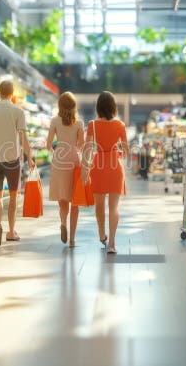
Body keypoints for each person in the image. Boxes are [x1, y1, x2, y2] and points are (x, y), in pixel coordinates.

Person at [0, 80, 34, 247]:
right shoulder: (18, 111)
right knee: (14, 195)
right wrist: (29, 157)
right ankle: (11, 231)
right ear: (12, 94)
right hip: (12, 160)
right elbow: (23, 138)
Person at [82, 91, 128, 254]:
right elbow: (126, 149)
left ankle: (102, 234)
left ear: (98, 107)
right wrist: (119, 152)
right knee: (114, 208)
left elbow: (87, 148)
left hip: (98, 166)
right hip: (115, 167)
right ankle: (112, 244)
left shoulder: (92, 125)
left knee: (99, 206)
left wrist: (84, 167)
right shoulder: (120, 125)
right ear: (113, 107)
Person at [46, 92, 84, 247]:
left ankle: (63, 223)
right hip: (74, 160)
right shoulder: (79, 123)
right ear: (74, 106)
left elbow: (48, 144)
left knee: (63, 199)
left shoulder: (55, 121)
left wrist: (56, 151)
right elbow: (81, 143)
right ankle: (73, 240)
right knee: (75, 201)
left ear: (60, 106)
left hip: (59, 160)